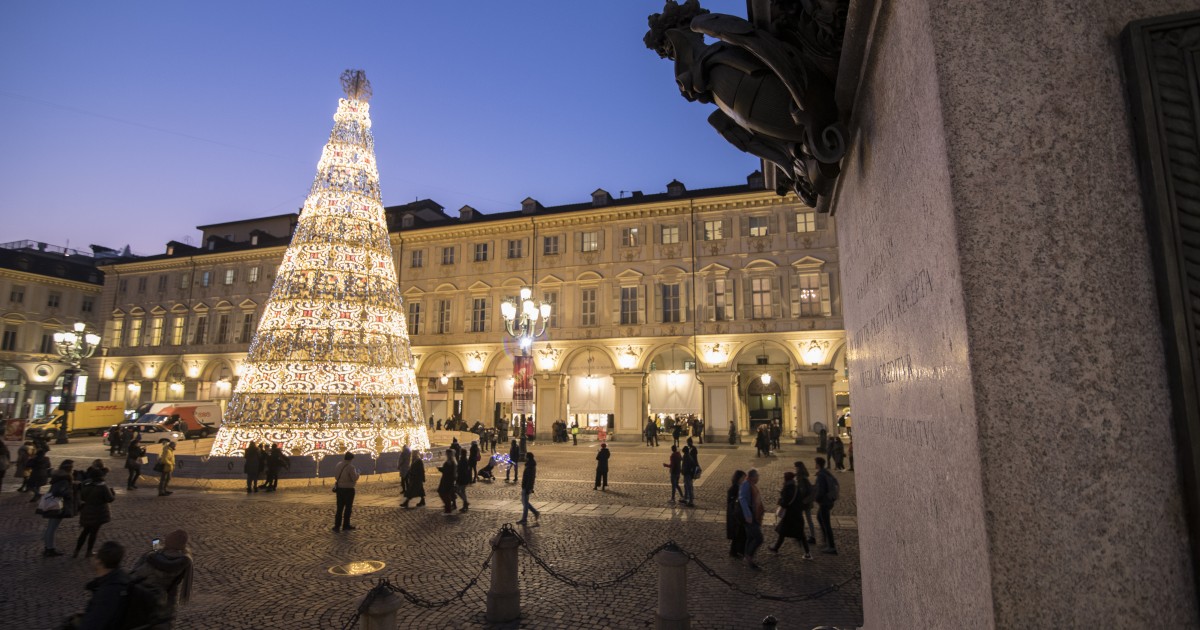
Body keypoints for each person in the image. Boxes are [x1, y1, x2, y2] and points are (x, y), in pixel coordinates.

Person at [131, 528, 194, 625]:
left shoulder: (153, 559)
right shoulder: (183, 560)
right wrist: (156, 550)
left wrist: (150, 554)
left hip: (147, 598)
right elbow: (167, 556)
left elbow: (136, 574)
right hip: (168, 601)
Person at [65, 540, 131, 629]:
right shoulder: (118, 576)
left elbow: (92, 625)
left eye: (95, 554)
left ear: (99, 562)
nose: (93, 555)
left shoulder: (108, 593)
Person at [768, 471, 812, 559]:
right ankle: (807, 553)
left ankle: (775, 548)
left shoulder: (787, 488)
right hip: (797, 514)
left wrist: (781, 499)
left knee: (783, 532)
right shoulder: (796, 487)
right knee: (800, 534)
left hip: (790, 514)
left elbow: (785, 503)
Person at [74, 466, 116, 558]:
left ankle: (76, 551)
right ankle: (89, 551)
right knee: (93, 533)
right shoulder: (103, 486)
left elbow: (82, 497)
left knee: (85, 532)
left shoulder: (85, 484)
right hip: (98, 512)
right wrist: (113, 493)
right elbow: (110, 499)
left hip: (86, 510)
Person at [41, 459, 78, 557]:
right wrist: (69, 493)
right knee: (52, 528)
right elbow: (60, 491)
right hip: (57, 505)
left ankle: (48, 547)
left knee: (50, 527)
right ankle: (49, 548)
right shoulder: (64, 478)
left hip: (54, 504)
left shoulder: (58, 476)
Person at [738, 468, 765, 569]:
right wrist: (748, 515)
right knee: (759, 538)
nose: (758, 478)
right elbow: (742, 499)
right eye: (757, 476)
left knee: (750, 537)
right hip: (749, 516)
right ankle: (749, 557)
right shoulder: (746, 484)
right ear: (753, 477)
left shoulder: (750, 484)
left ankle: (747, 558)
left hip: (751, 514)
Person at [815, 457, 838, 554]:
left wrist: (816, 498)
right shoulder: (826, 472)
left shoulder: (821, 475)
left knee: (826, 523)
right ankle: (825, 540)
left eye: (815, 463)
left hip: (825, 502)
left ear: (818, 464)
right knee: (819, 517)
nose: (815, 465)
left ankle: (831, 546)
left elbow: (821, 490)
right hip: (828, 501)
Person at [795, 461, 818, 545]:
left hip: (804, 502)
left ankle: (803, 535)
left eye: (796, 467)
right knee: (807, 519)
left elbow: (803, 490)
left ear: (798, 468)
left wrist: (797, 493)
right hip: (806, 501)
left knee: (801, 519)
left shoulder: (801, 477)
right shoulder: (803, 475)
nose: (795, 469)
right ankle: (811, 536)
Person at [726, 470, 747, 558]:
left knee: (741, 533)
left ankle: (740, 551)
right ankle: (734, 552)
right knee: (737, 533)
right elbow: (731, 502)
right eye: (743, 478)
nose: (744, 480)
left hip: (739, 514)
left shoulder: (740, 487)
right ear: (738, 478)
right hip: (735, 515)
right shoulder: (734, 488)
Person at [517, 451, 540, 525]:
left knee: (525, 503)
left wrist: (528, 488)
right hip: (526, 486)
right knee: (524, 502)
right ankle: (535, 512)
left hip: (526, 487)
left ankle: (524, 519)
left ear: (528, 458)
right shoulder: (530, 465)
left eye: (526, 456)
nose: (525, 458)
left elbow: (530, 478)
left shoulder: (530, 466)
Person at [437, 449, 458, 515]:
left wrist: (441, 469)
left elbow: (448, 471)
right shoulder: (451, 461)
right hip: (447, 479)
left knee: (444, 493)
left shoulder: (450, 462)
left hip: (447, 480)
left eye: (447, 454)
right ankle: (448, 507)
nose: (446, 455)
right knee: (446, 493)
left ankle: (448, 509)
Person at [681, 438, 699, 507]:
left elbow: (694, 462)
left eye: (688, 442)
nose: (687, 443)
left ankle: (690, 500)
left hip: (688, 473)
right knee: (686, 485)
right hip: (686, 472)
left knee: (689, 486)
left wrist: (693, 470)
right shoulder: (687, 455)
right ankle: (686, 498)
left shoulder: (691, 452)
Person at [456, 446, 472, 513]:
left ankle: (465, 502)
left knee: (458, 490)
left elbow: (460, 470)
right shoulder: (465, 460)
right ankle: (465, 504)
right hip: (465, 478)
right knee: (462, 491)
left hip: (462, 478)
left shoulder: (462, 460)